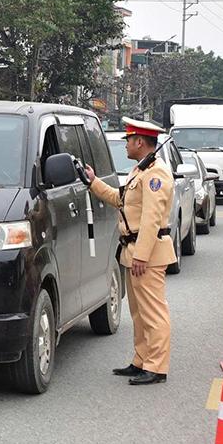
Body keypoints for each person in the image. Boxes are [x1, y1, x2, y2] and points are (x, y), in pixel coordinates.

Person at [79, 117, 175, 386]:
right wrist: (93, 182)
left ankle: (156, 367)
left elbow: (151, 220)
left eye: (129, 140)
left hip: (148, 254)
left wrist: (142, 255)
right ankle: (141, 360)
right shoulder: (140, 171)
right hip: (133, 251)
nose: (126, 145)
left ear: (140, 142)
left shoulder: (156, 175)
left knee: (153, 312)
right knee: (138, 312)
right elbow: (120, 200)